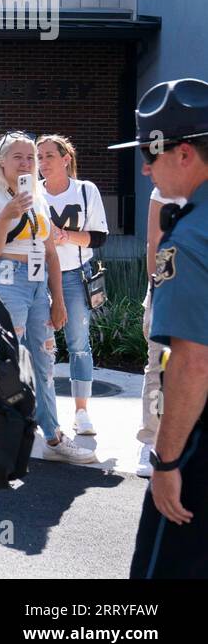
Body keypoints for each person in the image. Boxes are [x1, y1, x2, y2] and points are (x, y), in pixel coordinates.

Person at [111, 79, 208, 579]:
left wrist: (166, 463)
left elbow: (193, 362)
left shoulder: (188, 237)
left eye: (151, 153)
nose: (146, 168)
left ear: (185, 153)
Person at [0, 132, 92, 464]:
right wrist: (7, 214)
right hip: (5, 280)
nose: (26, 163)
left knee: (44, 361)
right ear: (2, 161)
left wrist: (58, 299)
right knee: (6, 363)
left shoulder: (38, 198)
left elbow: (50, 252)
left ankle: (52, 437)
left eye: (31, 158)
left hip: (38, 286)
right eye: (18, 157)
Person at [37, 134, 109, 438]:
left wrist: (64, 236)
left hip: (75, 275)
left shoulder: (85, 191)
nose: (42, 162)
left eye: (49, 156)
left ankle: (81, 412)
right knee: (42, 345)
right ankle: (44, 411)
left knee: (79, 343)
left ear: (66, 159)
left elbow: (99, 237)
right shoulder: (33, 192)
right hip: (38, 275)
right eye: (39, 157)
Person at [137, 185, 186, 477]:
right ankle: (150, 441)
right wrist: (160, 287)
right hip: (168, 290)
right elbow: (154, 242)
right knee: (158, 369)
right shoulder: (165, 188)